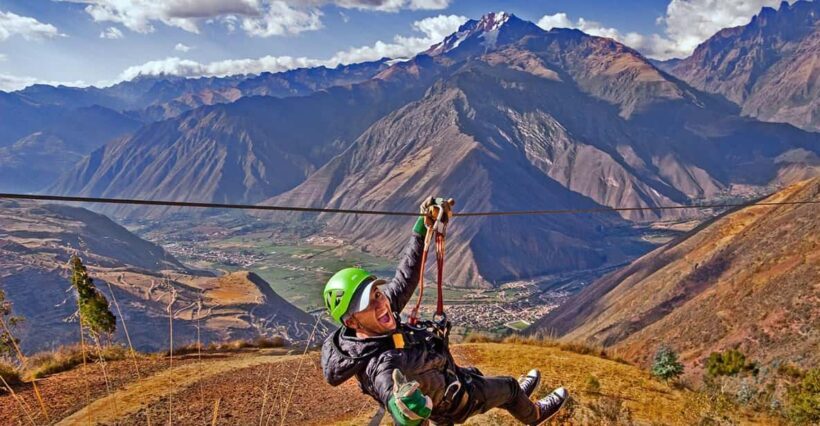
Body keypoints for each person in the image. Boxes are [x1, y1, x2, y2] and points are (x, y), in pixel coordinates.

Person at [320, 197, 569, 425]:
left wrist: (422, 227)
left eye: (377, 293)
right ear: (353, 322)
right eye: (369, 303)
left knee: (489, 382)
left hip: (449, 380)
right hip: (459, 399)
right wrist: (403, 409)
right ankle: (533, 413)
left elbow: (407, 277)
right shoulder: (379, 363)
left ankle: (512, 398)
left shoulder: (376, 321)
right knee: (510, 387)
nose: (381, 303)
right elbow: (389, 389)